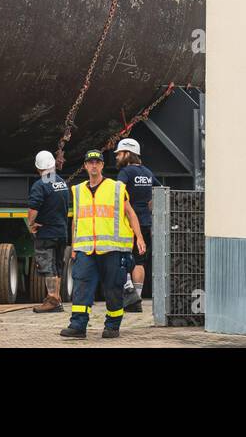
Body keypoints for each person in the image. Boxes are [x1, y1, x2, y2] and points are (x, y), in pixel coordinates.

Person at [60, 149, 146, 340]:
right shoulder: (78, 190)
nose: (93, 165)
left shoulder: (115, 188)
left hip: (112, 249)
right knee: (81, 286)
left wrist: (139, 238)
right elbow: (75, 220)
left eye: (97, 162)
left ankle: (112, 326)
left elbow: (130, 213)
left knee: (113, 288)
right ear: (85, 166)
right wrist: (74, 246)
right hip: (85, 249)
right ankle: (78, 326)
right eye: (90, 163)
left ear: (101, 166)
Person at [26, 149, 70, 313]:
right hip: (61, 232)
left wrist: (30, 224)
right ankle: (56, 299)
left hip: (46, 233)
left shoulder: (40, 185)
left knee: (47, 266)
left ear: (38, 168)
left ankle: (52, 299)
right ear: (53, 164)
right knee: (57, 266)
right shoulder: (61, 182)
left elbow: (34, 208)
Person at [114, 138, 154, 312]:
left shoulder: (125, 172)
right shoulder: (147, 173)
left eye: (119, 154)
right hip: (145, 222)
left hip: (127, 224)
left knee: (121, 257)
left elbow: (117, 194)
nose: (116, 157)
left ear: (127, 154)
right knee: (139, 262)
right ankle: (136, 300)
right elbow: (157, 195)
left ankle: (128, 293)